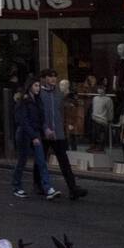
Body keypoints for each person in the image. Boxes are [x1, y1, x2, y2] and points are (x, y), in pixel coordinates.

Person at [38, 69, 87, 200]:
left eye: (55, 76)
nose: (53, 79)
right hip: (44, 133)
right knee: (40, 160)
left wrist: (65, 129)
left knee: (64, 161)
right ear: (44, 78)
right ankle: (39, 185)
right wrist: (45, 129)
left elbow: (63, 113)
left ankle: (72, 187)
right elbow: (38, 115)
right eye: (50, 76)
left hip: (58, 133)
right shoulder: (40, 94)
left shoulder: (58, 94)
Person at [11, 77, 58, 199]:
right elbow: (23, 121)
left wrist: (45, 129)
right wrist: (33, 136)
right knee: (22, 160)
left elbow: (40, 118)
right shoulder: (24, 101)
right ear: (30, 86)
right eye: (36, 85)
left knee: (41, 161)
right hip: (25, 134)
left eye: (38, 86)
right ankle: (16, 186)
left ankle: (48, 188)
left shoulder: (37, 101)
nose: (38, 88)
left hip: (35, 133)